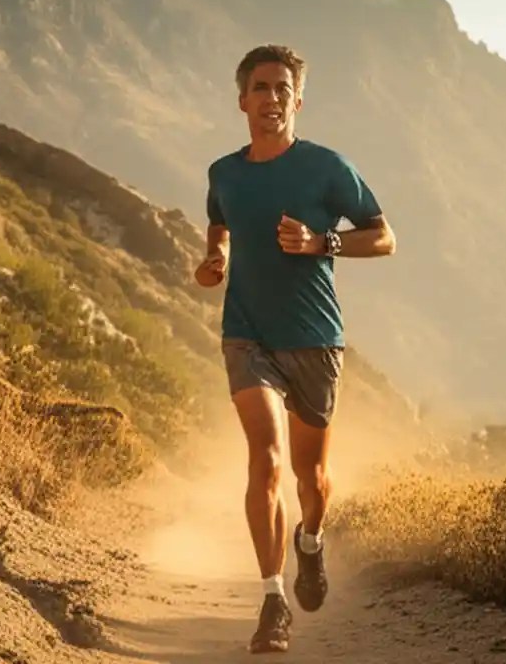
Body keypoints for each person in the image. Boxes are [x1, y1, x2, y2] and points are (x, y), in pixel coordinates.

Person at [194, 43, 397, 654]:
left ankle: (310, 541)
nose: (273, 98)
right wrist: (217, 259)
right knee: (268, 460)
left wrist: (320, 243)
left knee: (310, 477)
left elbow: (384, 238)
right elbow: (219, 221)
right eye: (262, 87)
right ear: (242, 100)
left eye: (284, 89)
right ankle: (272, 599)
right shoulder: (223, 173)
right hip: (247, 334)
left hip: (314, 339)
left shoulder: (327, 168)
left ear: (297, 101)